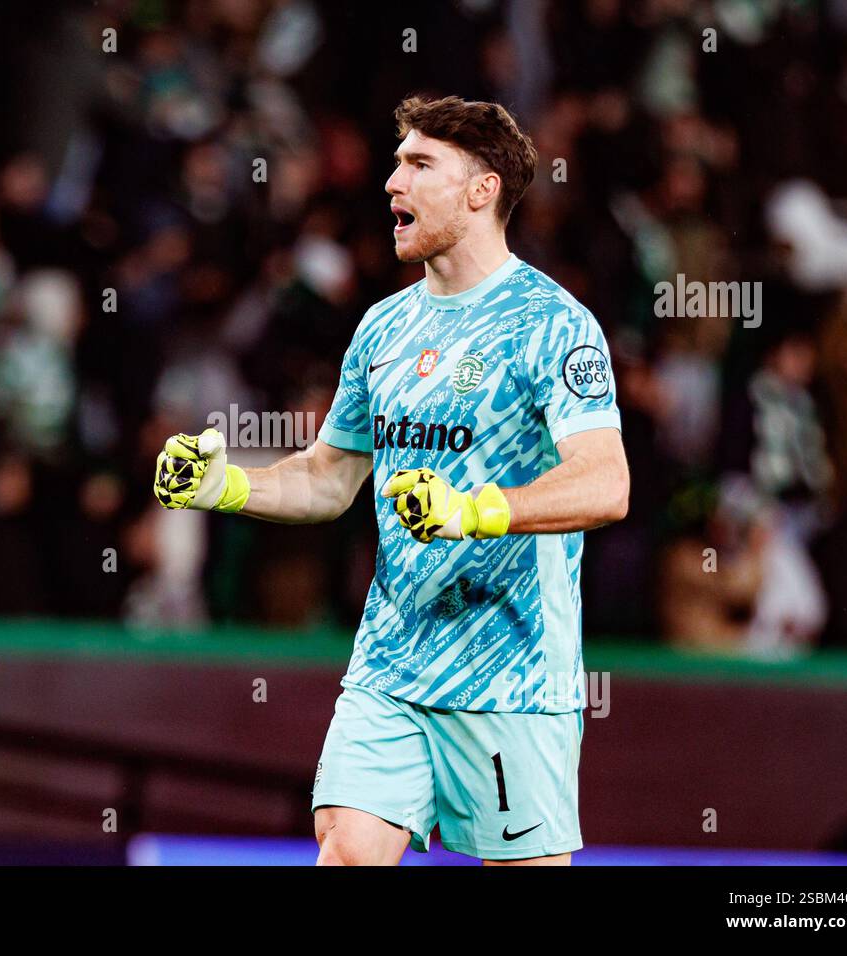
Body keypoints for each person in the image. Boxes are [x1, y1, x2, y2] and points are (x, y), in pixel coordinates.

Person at [152, 96, 629, 865]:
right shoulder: (383, 327)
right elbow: (328, 481)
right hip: (391, 665)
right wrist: (226, 487)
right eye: (397, 160)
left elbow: (606, 485)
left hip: (511, 677)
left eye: (419, 164)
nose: (390, 182)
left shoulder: (553, 323)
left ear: (481, 191)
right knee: (346, 849)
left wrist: (474, 511)